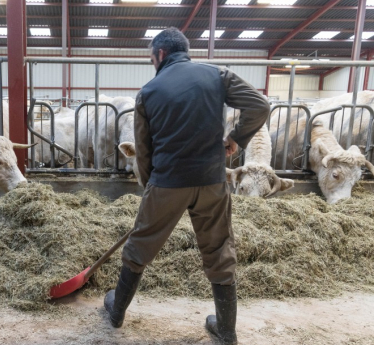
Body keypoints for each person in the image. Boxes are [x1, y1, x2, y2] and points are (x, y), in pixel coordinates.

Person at [103, 27, 270, 345]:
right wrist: (235, 139)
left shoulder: (148, 92)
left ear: (161, 54)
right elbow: (260, 106)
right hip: (211, 181)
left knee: (139, 246)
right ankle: (226, 330)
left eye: (151, 58)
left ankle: (116, 312)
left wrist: (150, 188)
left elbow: (144, 151)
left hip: (167, 183)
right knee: (220, 251)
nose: (152, 63)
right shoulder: (217, 75)